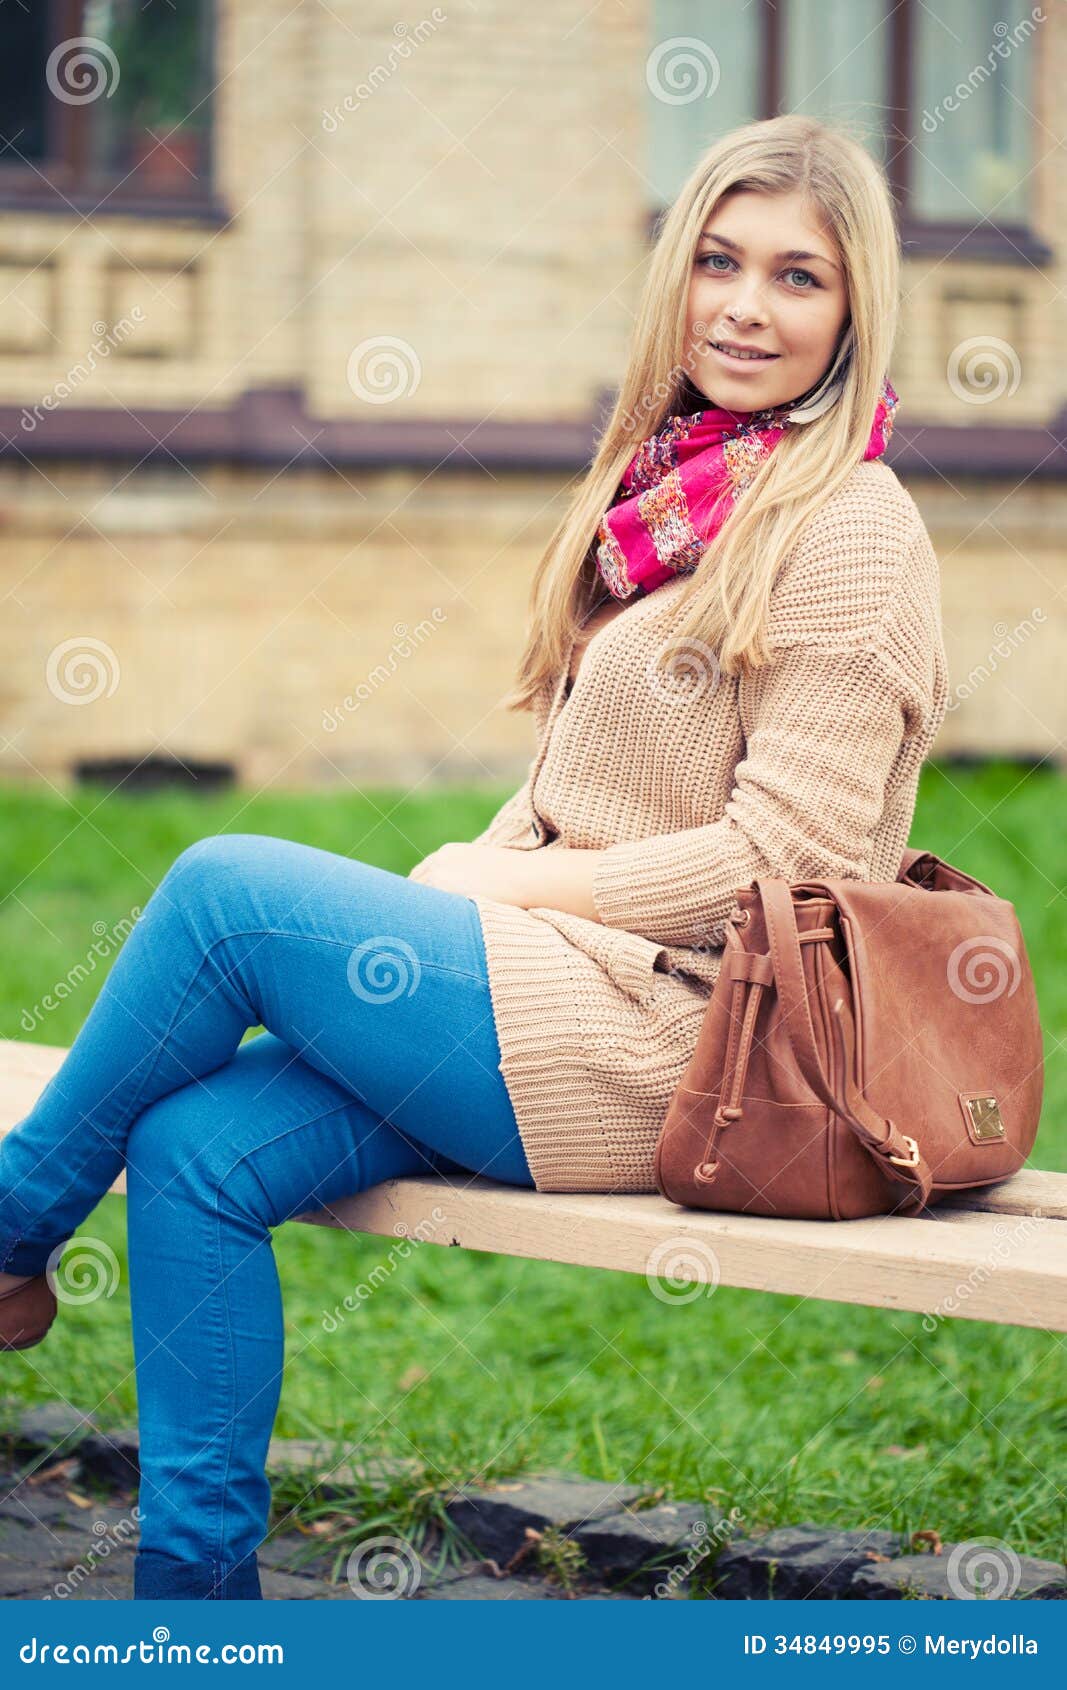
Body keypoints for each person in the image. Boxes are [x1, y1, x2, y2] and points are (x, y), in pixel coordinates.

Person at [0, 114, 948, 1599]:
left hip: (686, 1043)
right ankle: (194, 1599)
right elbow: (578, 787)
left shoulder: (850, 527)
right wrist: (489, 856)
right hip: (547, 997)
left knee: (226, 889)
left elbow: (795, 864)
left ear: (854, 309)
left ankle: (6, 1228)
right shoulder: (670, 487)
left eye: (798, 278)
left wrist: (507, 887)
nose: (746, 308)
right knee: (192, 1155)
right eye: (717, 261)